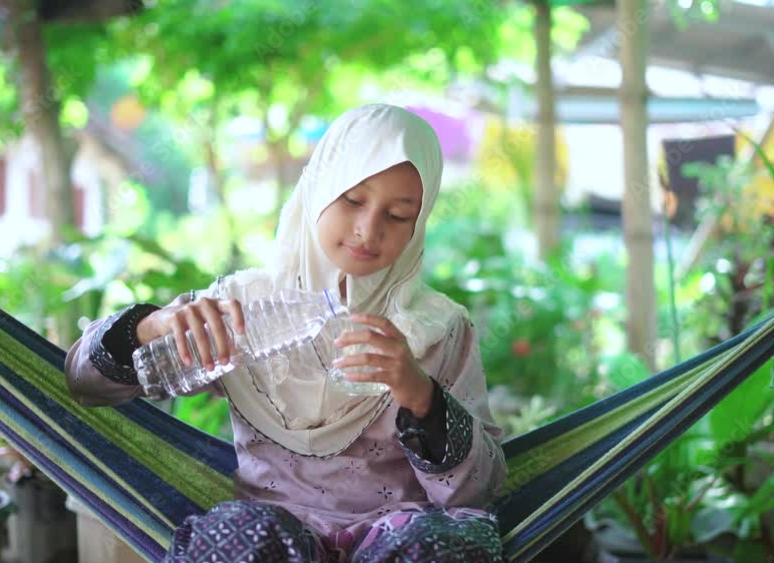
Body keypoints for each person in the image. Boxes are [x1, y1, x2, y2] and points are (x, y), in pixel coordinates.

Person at [64, 104, 507, 562]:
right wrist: (149, 327)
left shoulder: (438, 328)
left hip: (401, 535)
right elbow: (82, 384)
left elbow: (478, 489)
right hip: (273, 536)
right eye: (353, 200)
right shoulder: (241, 306)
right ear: (320, 188)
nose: (367, 230)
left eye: (397, 216)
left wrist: (421, 396)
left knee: (447, 547)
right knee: (234, 541)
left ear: (418, 226)